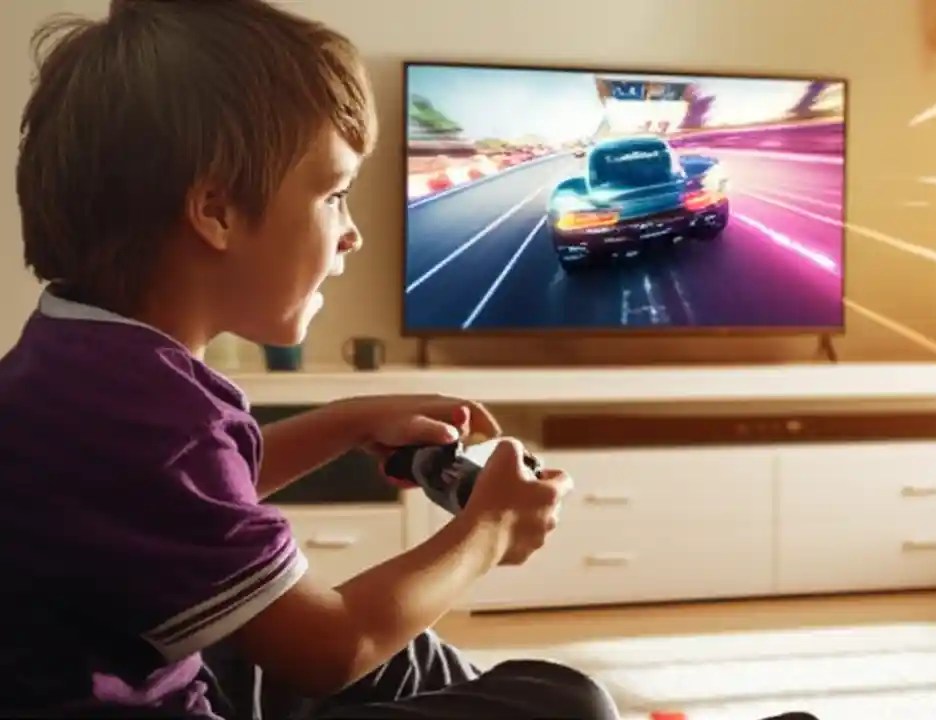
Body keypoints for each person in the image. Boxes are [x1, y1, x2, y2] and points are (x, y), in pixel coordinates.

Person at [0, 0, 619, 718]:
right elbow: (330, 650)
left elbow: (180, 495)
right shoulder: (158, 417)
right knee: (563, 704)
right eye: (334, 195)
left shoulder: (79, 359)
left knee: (405, 655)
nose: (351, 234)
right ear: (216, 211)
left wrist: (347, 423)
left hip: (106, 666)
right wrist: (490, 530)